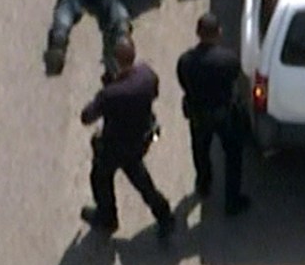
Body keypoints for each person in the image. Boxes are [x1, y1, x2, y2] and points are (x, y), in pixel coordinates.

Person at [79, 37, 175, 239]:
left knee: (100, 178)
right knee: (142, 181)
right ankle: (164, 214)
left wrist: (108, 87)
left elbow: (87, 116)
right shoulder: (147, 75)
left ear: (115, 61)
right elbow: (153, 93)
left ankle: (107, 217)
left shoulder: (110, 94)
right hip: (139, 139)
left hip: (114, 146)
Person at [176, 13, 251, 216]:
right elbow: (235, 79)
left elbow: (184, 83)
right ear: (219, 33)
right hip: (224, 114)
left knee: (200, 149)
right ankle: (232, 201)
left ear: (198, 33)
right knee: (233, 155)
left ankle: (203, 183)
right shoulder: (228, 59)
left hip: (198, 113)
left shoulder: (185, 61)